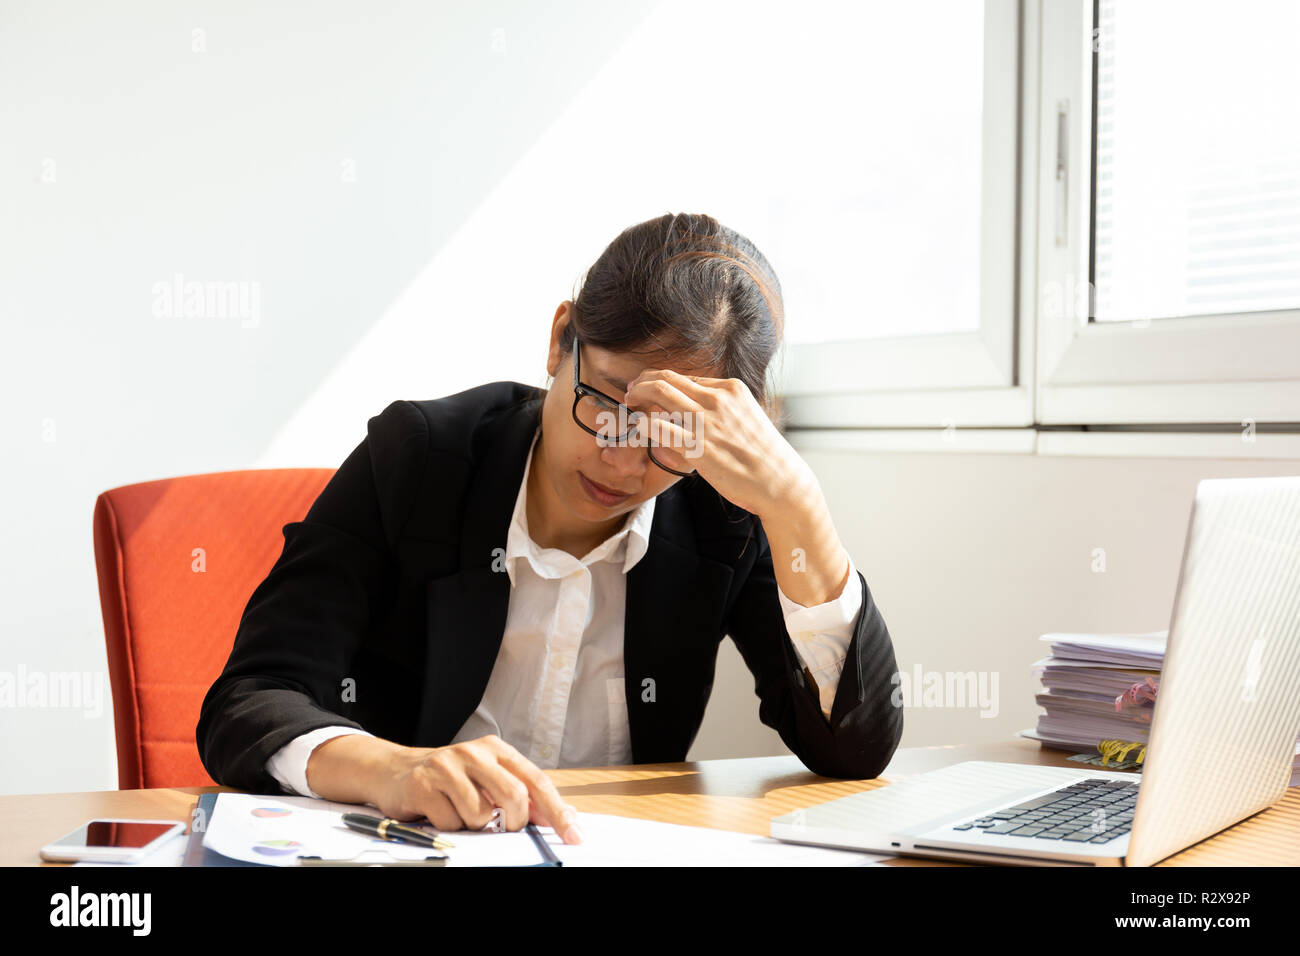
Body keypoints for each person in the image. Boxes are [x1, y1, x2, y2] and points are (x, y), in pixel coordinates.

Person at [196, 212, 903, 847]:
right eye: (605, 401)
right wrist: (394, 768)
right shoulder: (419, 457)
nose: (621, 458)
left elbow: (852, 749)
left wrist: (797, 506)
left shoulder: (727, 514)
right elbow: (250, 700)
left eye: (669, 432)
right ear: (561, 339)